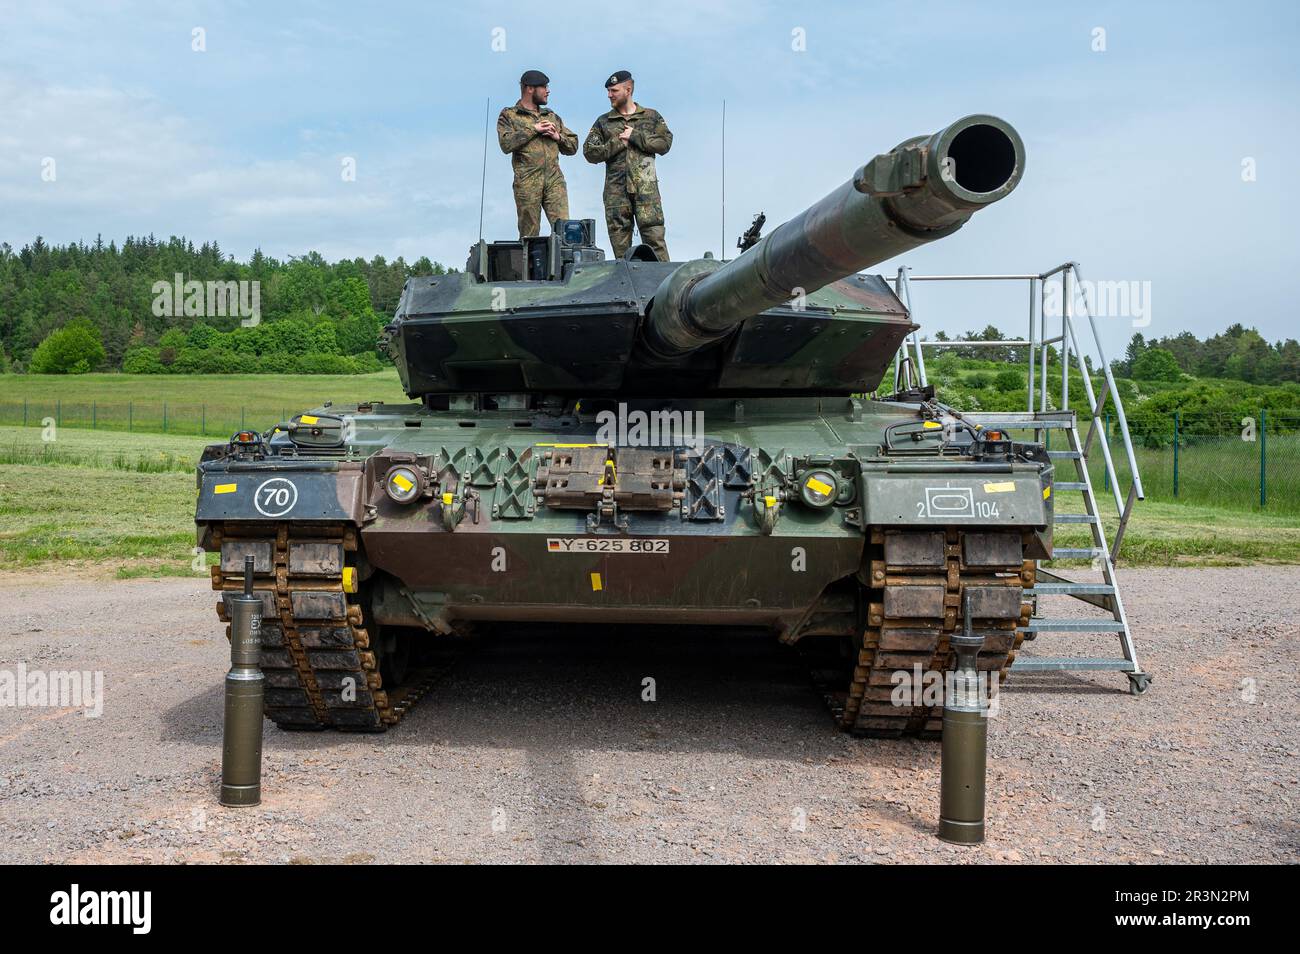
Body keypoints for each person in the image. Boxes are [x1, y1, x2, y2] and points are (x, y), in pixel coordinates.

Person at [583, 70, 672, 260]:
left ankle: (665, 286)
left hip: (646, 192)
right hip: (616, 194)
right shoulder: (603, 122)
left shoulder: (651, 116)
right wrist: (617, 143)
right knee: (621, 252)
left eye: (614, 90)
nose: (609, 95)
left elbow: (665, 144)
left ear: (628, 89)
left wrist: (635, 136)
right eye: (608, 91)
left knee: (656, 243)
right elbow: (589, 152)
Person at [496, 69, 579, 238]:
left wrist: (558, 137)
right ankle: (530, 265)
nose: (548, 91)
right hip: (527, 183)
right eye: (544, 87)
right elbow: (506, 144)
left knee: (565, 231)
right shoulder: (510, 115)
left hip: (554, 181)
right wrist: (533, 129)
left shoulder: (551, 116)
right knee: (529, 235)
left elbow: (573, 146)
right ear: (530, 89)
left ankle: (562, 264)